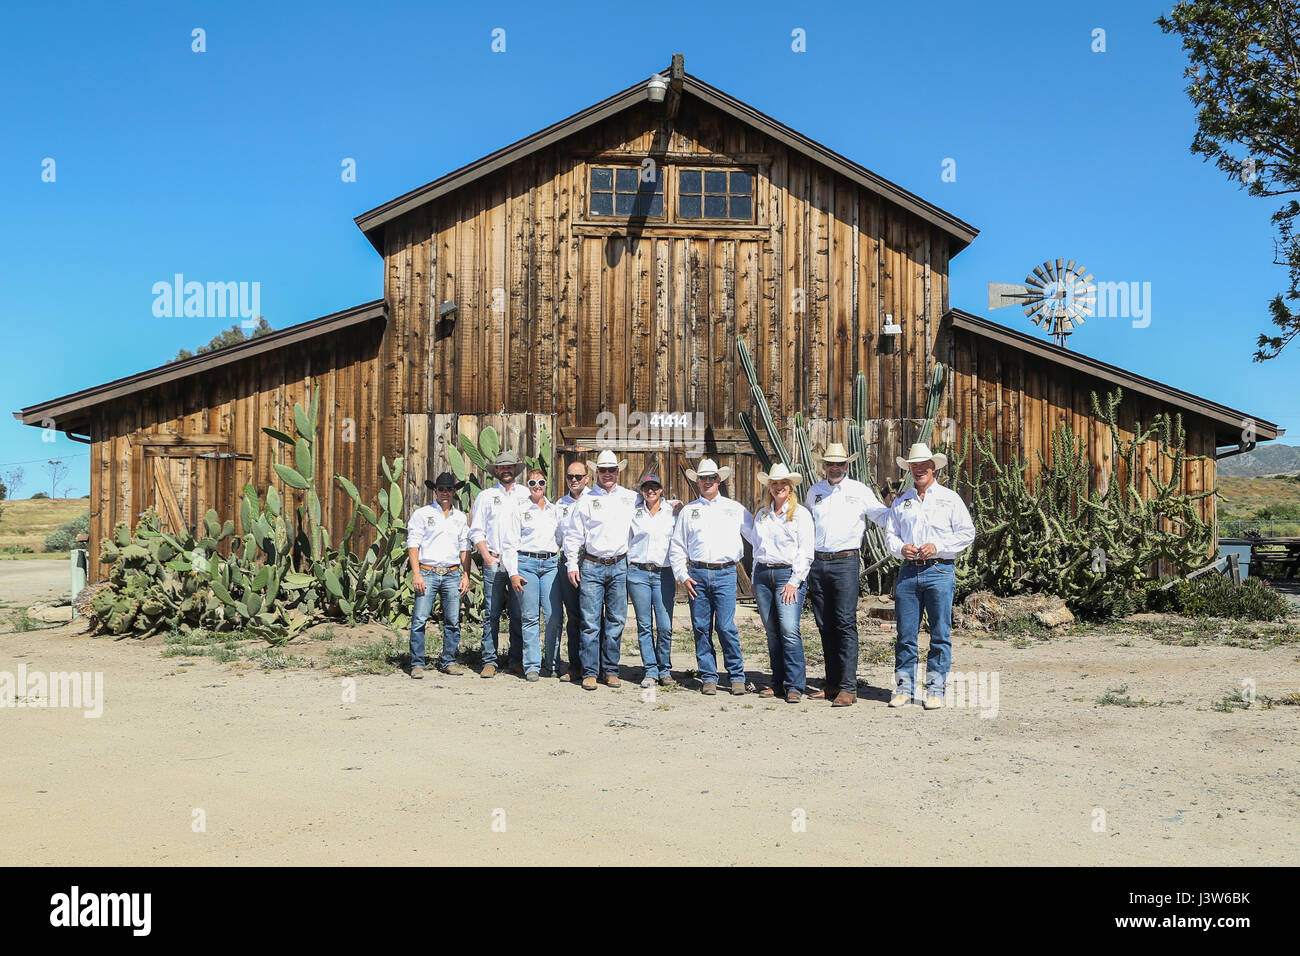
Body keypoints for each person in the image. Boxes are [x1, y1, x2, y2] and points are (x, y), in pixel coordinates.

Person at [885, 443, 975, 710]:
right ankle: (904, 688)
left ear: (933, 467)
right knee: (906, 634)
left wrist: (939, 546)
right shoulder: (902, 501)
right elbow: (891, 534)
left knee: (939, 633)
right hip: (909, 571)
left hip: (939, 570)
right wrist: (901, 548)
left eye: (924, 464)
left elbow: (966, 533)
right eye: (914, 465)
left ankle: (935, 689)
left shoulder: (950, 498)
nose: (919, 469)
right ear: (910, 469)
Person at [804, 442, 889, 707]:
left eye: (840, 464)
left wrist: (901, 510)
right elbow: (804, 524)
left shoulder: (858, 490)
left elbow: (880, 515)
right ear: (824, 466)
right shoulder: (814, 492)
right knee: (824, 624)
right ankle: (831, 685)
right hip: (817, 562)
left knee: (844, 623)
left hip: (845, 562)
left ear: (847, 465)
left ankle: (848, 687)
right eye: (830, 463)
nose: (835, 468)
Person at [669, 458, 752, 696]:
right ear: (697, 482)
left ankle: (736, 676)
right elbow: (677, 546)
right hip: (697, 574)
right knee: (701, 627)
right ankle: (708, 676)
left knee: (726, 627)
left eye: (711, 478)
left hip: (726, 572)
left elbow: (757, 536)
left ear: (719, 480)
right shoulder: (688, 511)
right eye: (702, 478)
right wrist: (683, 576)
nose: (707, 482)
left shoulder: (734, 508)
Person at [563, 450, 639, 691]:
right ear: (596, 472)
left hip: (619, 564)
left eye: (611, 470)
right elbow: (574, 536)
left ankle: (610, 670)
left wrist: (674, 507)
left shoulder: (630, 498)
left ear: (618, 471)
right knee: (590, 622)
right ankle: (589, 671)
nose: (607, 474)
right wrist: (572, 565)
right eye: (603, 470)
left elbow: (652, 506)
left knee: (616, 620)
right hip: (592, 565)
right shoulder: (586, 500)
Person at [744, 463, 814, 703]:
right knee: (772, 631)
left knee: (789, 629)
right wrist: (754, 577)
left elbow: (806, 551)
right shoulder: (763, 514)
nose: (778, 487)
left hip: (787, 575)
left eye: (783, 483)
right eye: (774, 483)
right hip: (764, 574)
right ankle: (778, 682)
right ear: (769, 487)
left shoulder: (801, 514)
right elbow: (757, 547)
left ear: (790, 487)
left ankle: (795, 684)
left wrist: (795, 581)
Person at [406, 472, 472, 678]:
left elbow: (465, 549)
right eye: (441, 489)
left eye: (449, 489)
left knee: (452, 620)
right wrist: (416, 574)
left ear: (454, 491)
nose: (445, 493)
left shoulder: (460, 518)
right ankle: (417, 663)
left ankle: (448, 661)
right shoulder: (422, 514)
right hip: (428, 572)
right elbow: (413, 544)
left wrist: (466, 575)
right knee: (419, 619)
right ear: (435, 490)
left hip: (452, 573)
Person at [468, 451, 528, 678]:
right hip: (494, 559)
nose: (506, 470)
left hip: (519, 562)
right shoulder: (486, 496)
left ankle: (516, 659)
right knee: (491, 612)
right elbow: (476, 529)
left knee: (519, 612)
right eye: (502, 467)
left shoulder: (525, 494)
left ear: (515, 469)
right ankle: (489, 660)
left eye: (510, 467)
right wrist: (486, 556)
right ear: (496, 471)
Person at [627, 473, 677, 688]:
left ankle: (664, 668)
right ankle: (650, 669)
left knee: (665, 625)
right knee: (644, 624)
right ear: (641, 491)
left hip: (663, 573)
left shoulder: (673, 512)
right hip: (638, 572)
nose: (650, 491)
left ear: (661, 489)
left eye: (654, 487)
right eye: (646, 487)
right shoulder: (634, 513)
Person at [514, 467, 562, 682]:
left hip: (551, 564)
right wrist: (513, 571)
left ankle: (552, 662)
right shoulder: (520, 510)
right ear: (527, 485)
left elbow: (560, 536)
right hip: (527, 563)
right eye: (532, 483)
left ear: (546, 485)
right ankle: (532, 664)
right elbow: (511, 541)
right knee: (530, 616)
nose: (537, 487)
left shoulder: (554, 510)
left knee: (553, 615)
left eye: (541, 483)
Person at [554, 459, 591, 681]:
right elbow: (557, 537)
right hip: (568, 562)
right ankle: (575, 666)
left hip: (591, 561)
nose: (574, 480)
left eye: (579, 476)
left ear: (587, 477)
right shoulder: (560, 504)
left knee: (594, 617)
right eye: (570, 476)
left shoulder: (596, 499)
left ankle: (597, 666)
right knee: (574, 615)